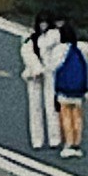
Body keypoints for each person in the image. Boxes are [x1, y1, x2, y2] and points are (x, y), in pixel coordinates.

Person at [19, 19, 59, 154]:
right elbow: (27, 54)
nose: (43, 25)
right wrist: (36, 68)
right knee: (35, 107)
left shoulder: (54, 37)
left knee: (51, 106)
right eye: (41, 23)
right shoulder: (30, 40)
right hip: (34, 75)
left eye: (46, 22)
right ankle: (37, 140)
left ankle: (55, 138)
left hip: (50, 74)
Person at [53, 21, 88, 156]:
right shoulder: (81, 49)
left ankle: (68, 143)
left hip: (64, 88)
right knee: (77, 116)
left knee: (66, 115)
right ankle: (77, 143)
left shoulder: (59, 49)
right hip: (78, 89)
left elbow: (53, 66)